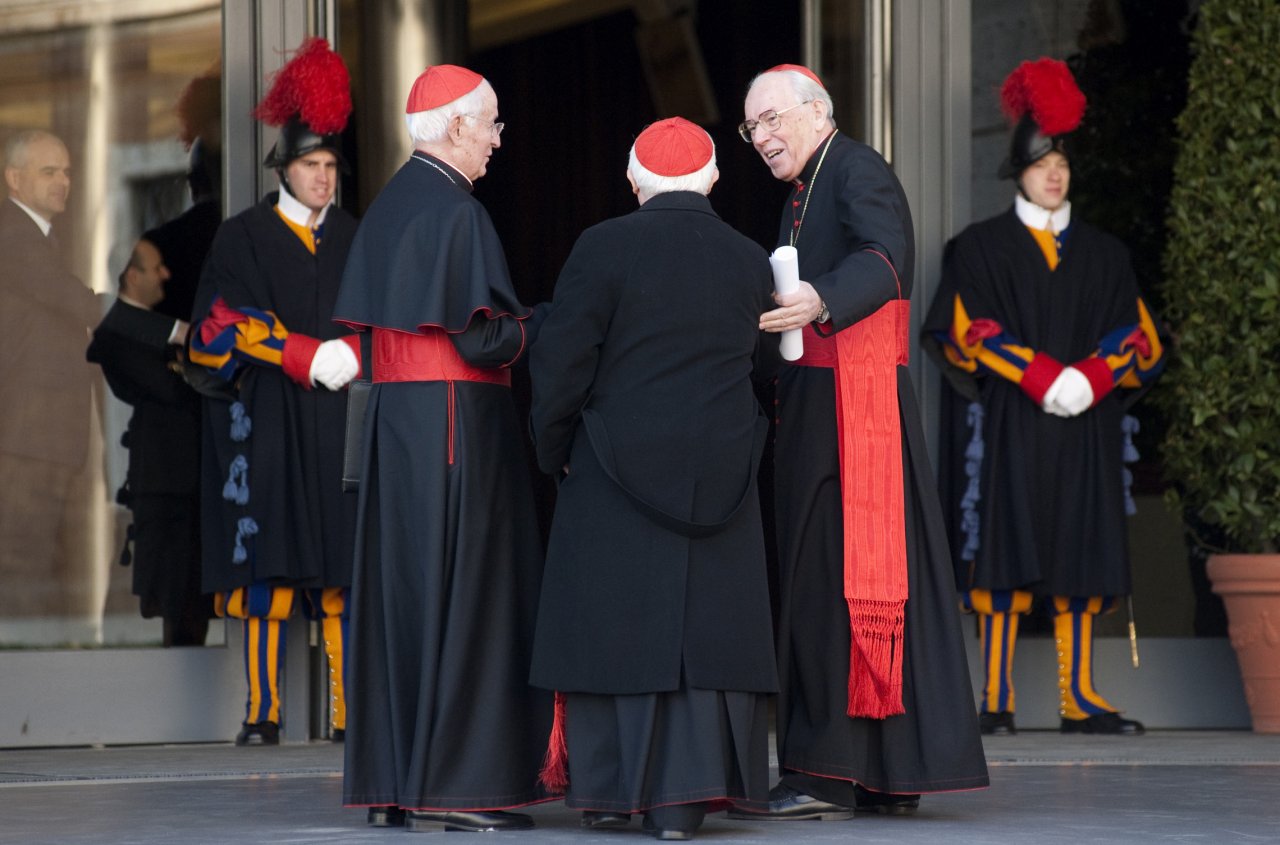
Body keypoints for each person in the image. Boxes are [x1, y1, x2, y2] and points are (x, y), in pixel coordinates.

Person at [727, 63, 989, 821]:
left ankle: (823, 773)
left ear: (816, 112)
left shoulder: (855, 167)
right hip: (819, 406)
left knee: (829, 584)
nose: (763, 138)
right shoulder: (807, 187)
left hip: (851, 412)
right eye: (752, 128)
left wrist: (821, 298)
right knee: (826, 585)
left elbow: (885, 257)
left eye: (772, 120)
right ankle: (878, 771)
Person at [527, 117, 780, 842]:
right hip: (723, 478)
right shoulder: (748, 258)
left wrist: (552, 452)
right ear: (712, 180)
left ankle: (616, 795)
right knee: (707, 635)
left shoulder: (602, 245)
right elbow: (766, 371)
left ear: (636, 181)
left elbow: (562, 366)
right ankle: (688, 800)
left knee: (621, 633)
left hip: (614, 470)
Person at [334, 64, 552, 833]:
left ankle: (396, 780)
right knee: (470, 592)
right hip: (458, 422)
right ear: (455, 125)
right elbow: (484, 332)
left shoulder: (393, 204)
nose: (497, 139)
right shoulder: (457, 213)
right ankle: (460, 784)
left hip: (400, 422)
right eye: (491, 123)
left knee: (406, 596)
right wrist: (546, 322)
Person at [921, 58, 1164, 737]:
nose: (1054, 172)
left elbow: (1137, 335)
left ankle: (1078, 695)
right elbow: (963, 327)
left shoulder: (1107, 254)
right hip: (1010, 424)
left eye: (1062, 161)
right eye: (1041, 160)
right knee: (1003, 550)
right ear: (1018, 170)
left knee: (1082, 552)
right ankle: (995, 698)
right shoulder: (978, 247)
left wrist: (1090, 375)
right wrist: (1038, 375)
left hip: (1087, 426)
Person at [188, 38, 359, 746]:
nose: (323, 177)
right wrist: (300, 352)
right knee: (269, 576)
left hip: (342, 422)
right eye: (311, 165)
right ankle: (263, 713)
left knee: (342, 576)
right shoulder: (243, 236)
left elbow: (384, 316)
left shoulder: (355, 235)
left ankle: (351, 717)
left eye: (329, 166)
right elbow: (216, 327)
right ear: (283, 168)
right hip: (267, 426)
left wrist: (356, 348)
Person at [0, 129, 103, 632]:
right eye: (49, 171)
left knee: (41, 564)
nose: (63, 181)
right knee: (22, 565)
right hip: (23, 438)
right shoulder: (12, 233)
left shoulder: (38, 236)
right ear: (14, 180)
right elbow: (75, 301)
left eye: (67, 171)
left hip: (40, 439)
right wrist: (154, 323)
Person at [86, 238, 210, 646]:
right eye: (156, 267)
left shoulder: (154, 329)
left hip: (190, 480)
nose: (166, 275)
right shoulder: (117, 335)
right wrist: (179, 336)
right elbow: (176, 390)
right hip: (164, 482)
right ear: (131, 275)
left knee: (194, 597)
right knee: (174, 598)